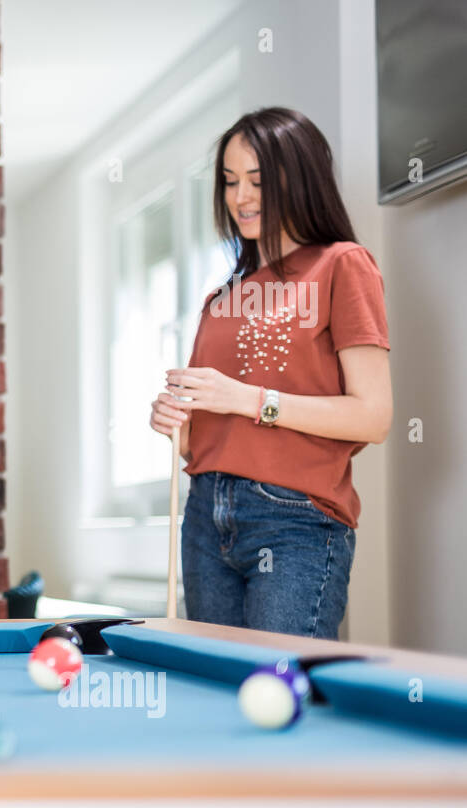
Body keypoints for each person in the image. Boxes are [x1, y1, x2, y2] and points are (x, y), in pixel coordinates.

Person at [150, 107, 391, 639]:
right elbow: (198, 444)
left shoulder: (343, 265)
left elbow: (374, 417)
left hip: (294, 522)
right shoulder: (222, 298)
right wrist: (176, 422)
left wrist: (249, 398)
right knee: (218, 698)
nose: (240, 197)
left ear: (300, 178)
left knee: (277, 696)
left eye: (258, 180)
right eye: (230, 181)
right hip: (205, 517)